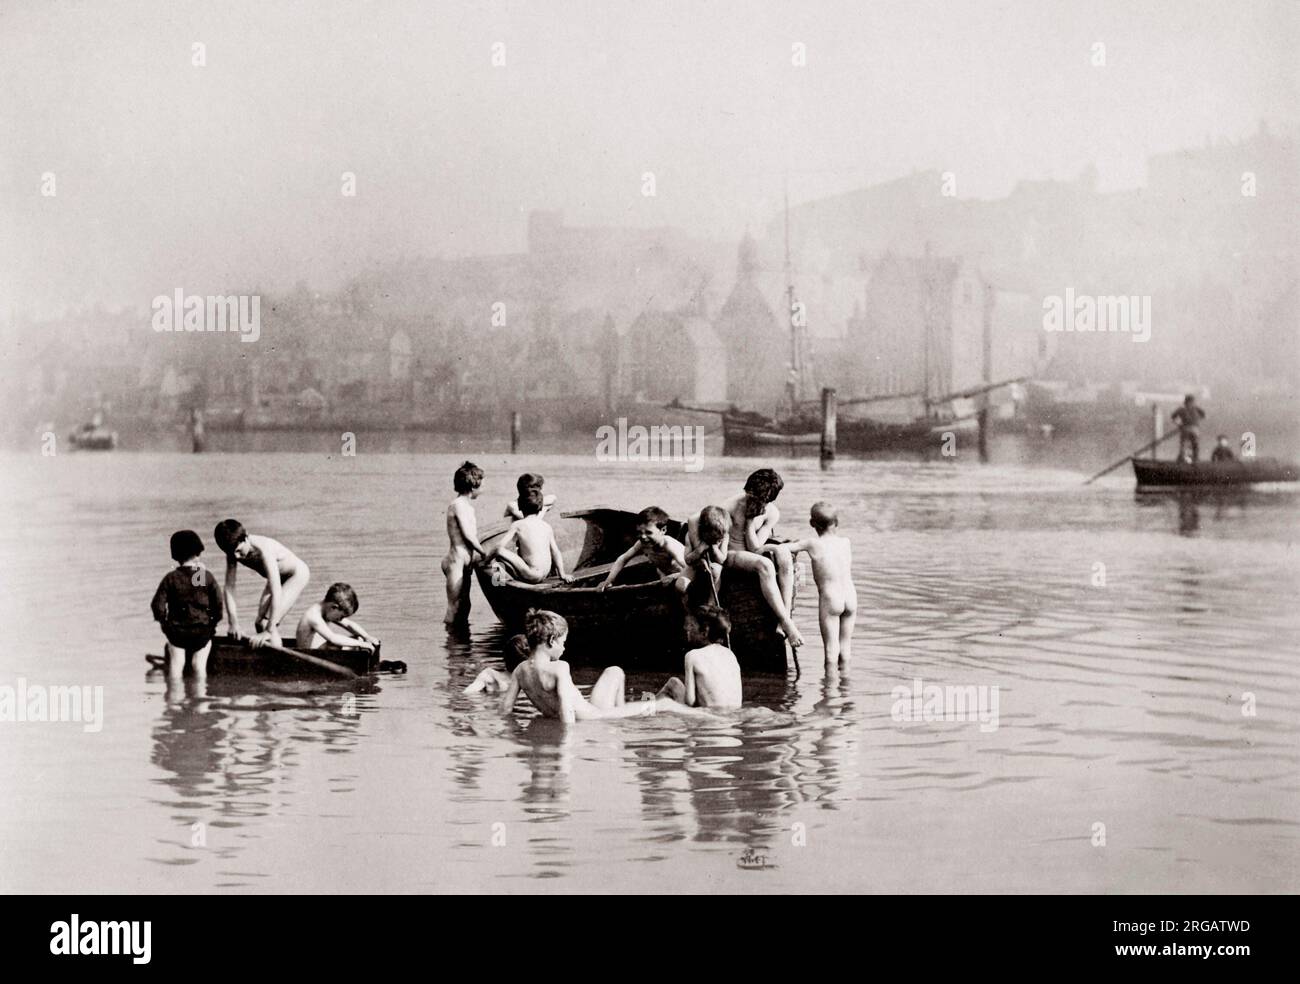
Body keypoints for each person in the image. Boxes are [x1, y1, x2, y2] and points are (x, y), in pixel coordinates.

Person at [497, 610, 667, 722]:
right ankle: (690, 712)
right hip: (595, 717)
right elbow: (567, 713)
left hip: (591, 711)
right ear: (551, 641)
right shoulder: (559, 667)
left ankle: (620, 717)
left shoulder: (520, 670)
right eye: (563, 642)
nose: (564, 648)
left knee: (614, 671)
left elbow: (505, 709)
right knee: (663, 705)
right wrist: (565, 749)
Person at [213, 519, 310, 649]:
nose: (236, 557)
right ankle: (269, 657)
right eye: (231, 553)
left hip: (296, 575)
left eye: (238, 551)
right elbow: (229, 588)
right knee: (259, 623)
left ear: (246, 537)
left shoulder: (264, 550)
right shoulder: (233, 550)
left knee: (267, 624)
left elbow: (276, 591)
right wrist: (233, 622)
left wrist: (269, 630)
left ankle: (278, 664)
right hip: (277, 578)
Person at [786, 502, 857, 669]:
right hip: (851, 596)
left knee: (831, 651)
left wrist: (763, 547)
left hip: (831, 599)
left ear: (812, 524)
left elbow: (784, 548)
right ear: (837, 523)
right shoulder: (846, 542)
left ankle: (829, 692)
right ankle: (845, 688)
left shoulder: (812, 543)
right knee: (845, 647)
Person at [151, 530, 224, 677]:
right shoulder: (202, 575)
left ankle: (173, 698)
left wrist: (166, 625)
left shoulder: (171, 578)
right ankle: (200, 697)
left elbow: (157, 606)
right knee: (199, 666)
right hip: (201, 631)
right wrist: (211, 626)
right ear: (198, 552)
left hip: (177, 633)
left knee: (176, 665)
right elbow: (218, 604)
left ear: (175, 555)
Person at [656, 605, 742, 708]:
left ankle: (645, 706)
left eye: (691, 625)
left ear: (705, 631)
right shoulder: (730, 654)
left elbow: (690, 701)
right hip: (732, 717)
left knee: (673, 683)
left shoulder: (692, 656)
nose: (686, 628)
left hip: (709, 716)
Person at [488, 488, 574, 585]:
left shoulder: (518, 525)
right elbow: (555, 551)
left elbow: (498, 547)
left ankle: (499, 586)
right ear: (541, 508)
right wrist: (562, 574)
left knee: (499, 553)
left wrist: (486, 561)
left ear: (520, 508)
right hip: (545, 573)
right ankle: (505, 581)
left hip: (532, 575)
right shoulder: (546, 526)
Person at [442, 461, 488, 627]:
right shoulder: (458, 505)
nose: (483, 488)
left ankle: (461, 647)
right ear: (473, 485)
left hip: (465, 562)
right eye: (481, 483)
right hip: (456, 561)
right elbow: (468, 535)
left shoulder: (467, 506)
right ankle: (451, 644)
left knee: (465, 605)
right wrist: (484, 553)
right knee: (454, 607)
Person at [598, 506, 686, 591]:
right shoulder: (642, 544)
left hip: (684, 575)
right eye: (640, 532)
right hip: (666, 576)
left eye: (649, 532)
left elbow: (690, 567)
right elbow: (623, 559)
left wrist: (675, 576)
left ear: (663, 530)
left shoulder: (669, 544)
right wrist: (608, 581)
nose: (643, 536)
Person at [295, 583, 380, 651]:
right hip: (310, 656)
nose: (340, 620)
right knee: (354, 643)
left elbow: (348, 624)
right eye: (341, 617)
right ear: (334, 607)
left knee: (358, 637)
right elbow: (333, 638)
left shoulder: (327, 610)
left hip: (321, 650)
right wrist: (362, 644)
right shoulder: (313, 616)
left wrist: (367, 637)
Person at [1172, 394, 1206, 463]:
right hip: (1195, 428)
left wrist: (1179, 424)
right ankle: (1196, 459)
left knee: (1184, 444)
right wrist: (1197, 420)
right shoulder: (1196, 408)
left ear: (1185, 402)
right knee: (1195, 444)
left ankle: (1182, 458)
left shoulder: (1181, 409)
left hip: (1185, 428)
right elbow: (1203, 415)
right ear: (1193, 401)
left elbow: (1173, 417)